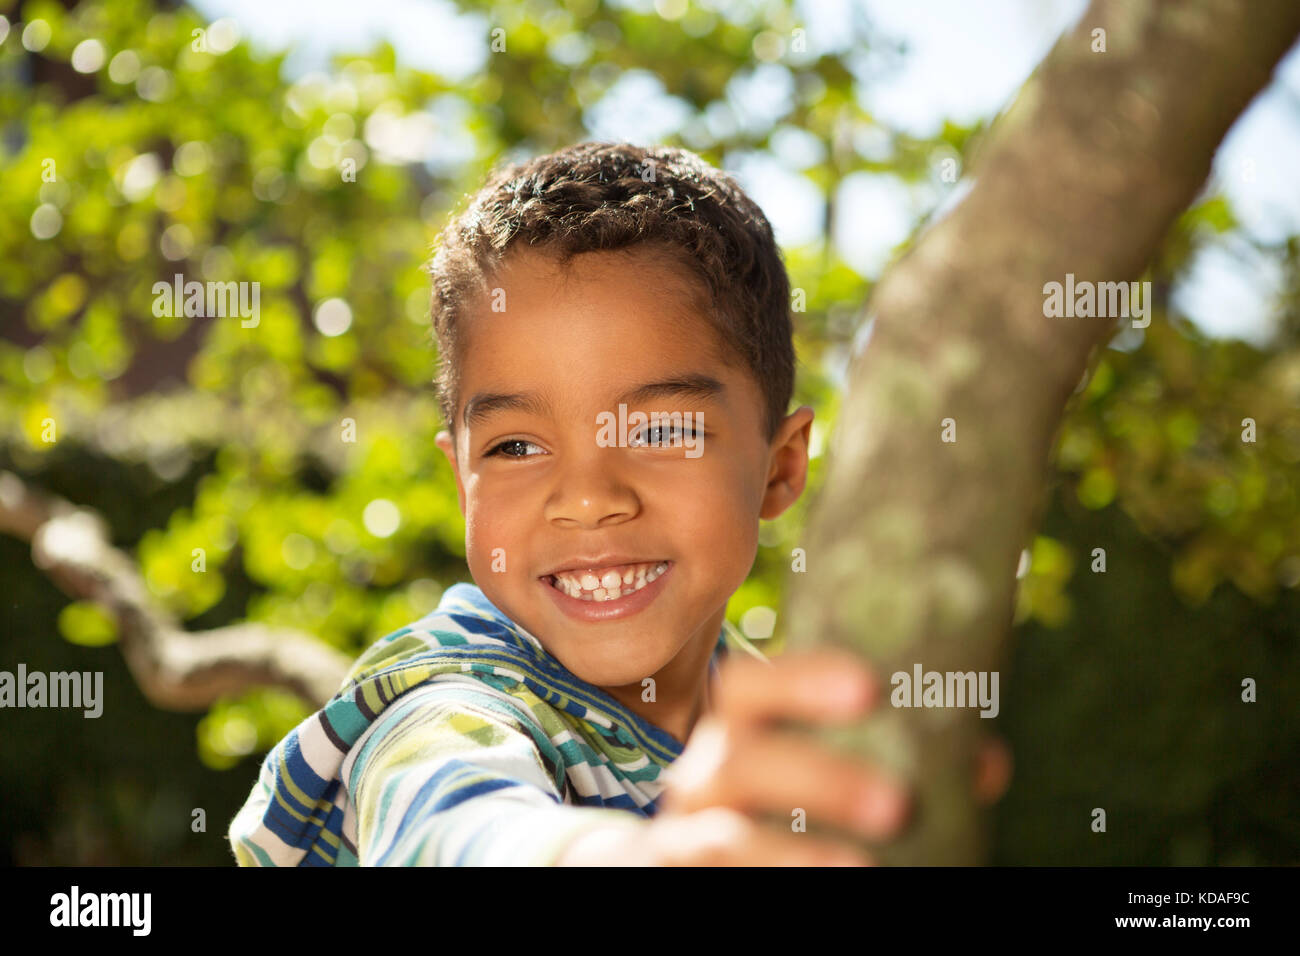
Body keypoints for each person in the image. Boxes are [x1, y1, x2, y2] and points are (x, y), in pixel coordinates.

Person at [226, 141, 1008, 866]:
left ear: (780, 467)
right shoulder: (443, 704)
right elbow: (456, 824)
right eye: (515, 447)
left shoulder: (775, 718)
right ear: (463, 483)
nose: (588, 500)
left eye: (661, 431)